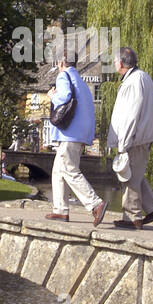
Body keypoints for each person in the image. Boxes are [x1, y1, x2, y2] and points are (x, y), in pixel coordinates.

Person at [106, 46, 153, 229]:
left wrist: (123, 143)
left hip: (134, 138)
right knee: (135, 173)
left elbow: (130, 114)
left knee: (128, 176)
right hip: (141, 136)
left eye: (115, 61)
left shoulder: (133, 81)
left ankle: (133, 217)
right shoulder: (142, 77)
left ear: (121, 63)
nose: (114, 64)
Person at [45, 51, 107, 225]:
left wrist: (52, 96)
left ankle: (96, 204)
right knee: (58, 170)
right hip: (81, 133)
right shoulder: (80, 81)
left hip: (70, 133)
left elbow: (64, 97)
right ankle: (60, 210)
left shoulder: (63, 76)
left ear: (60, 63)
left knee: (69, 169)